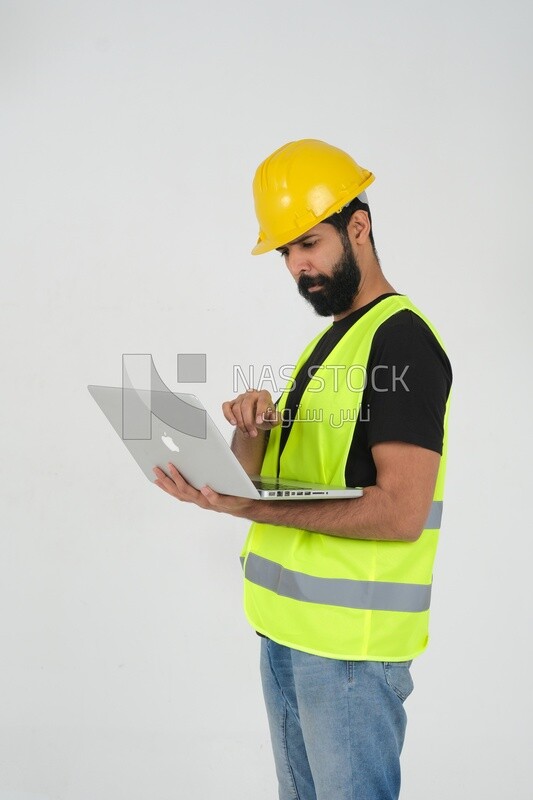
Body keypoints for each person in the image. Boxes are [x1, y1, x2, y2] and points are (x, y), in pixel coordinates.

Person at [153, 138, 452, 800]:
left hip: (349, 651)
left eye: (307, 243)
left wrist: (246, 507)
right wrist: (247, 433)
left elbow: (401, 512)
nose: (296, 266)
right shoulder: (329, 342)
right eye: (286, 253)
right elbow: (258, 480)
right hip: (286, 633)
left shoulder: (398, 340)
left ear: (359, 227)